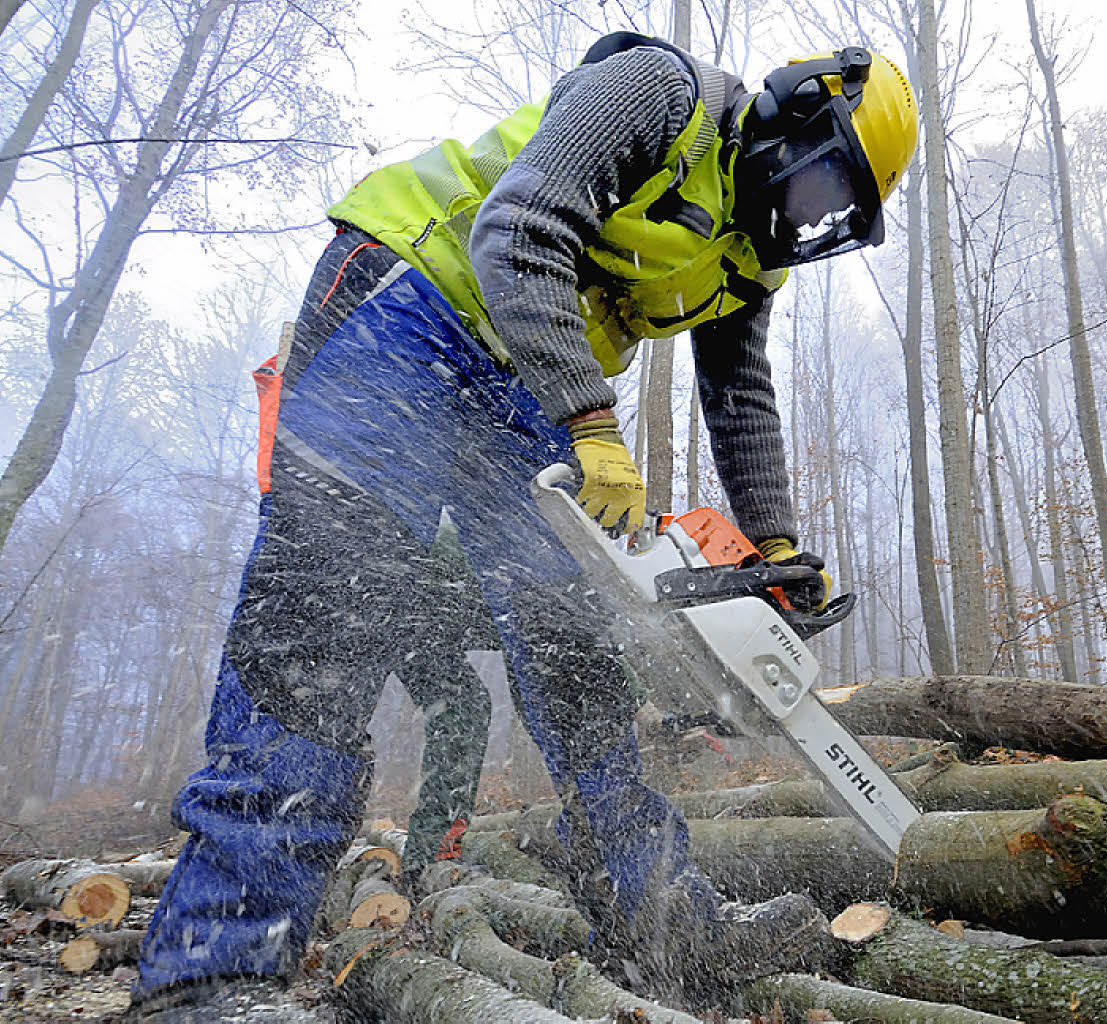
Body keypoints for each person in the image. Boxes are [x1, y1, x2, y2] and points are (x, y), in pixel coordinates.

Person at [126, 30, 918, 1021]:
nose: (804, 218)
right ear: (794, 117)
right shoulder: (657, 94)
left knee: (574, 646)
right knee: (322, 621)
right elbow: (520, 225)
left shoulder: (750, 260)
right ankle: (211, 969)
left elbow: (739, 393)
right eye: (815, 188)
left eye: (828, 214)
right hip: (413, 298)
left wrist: (782, 544)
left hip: (522, 375)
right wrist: (594, 423)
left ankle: (656, 915)